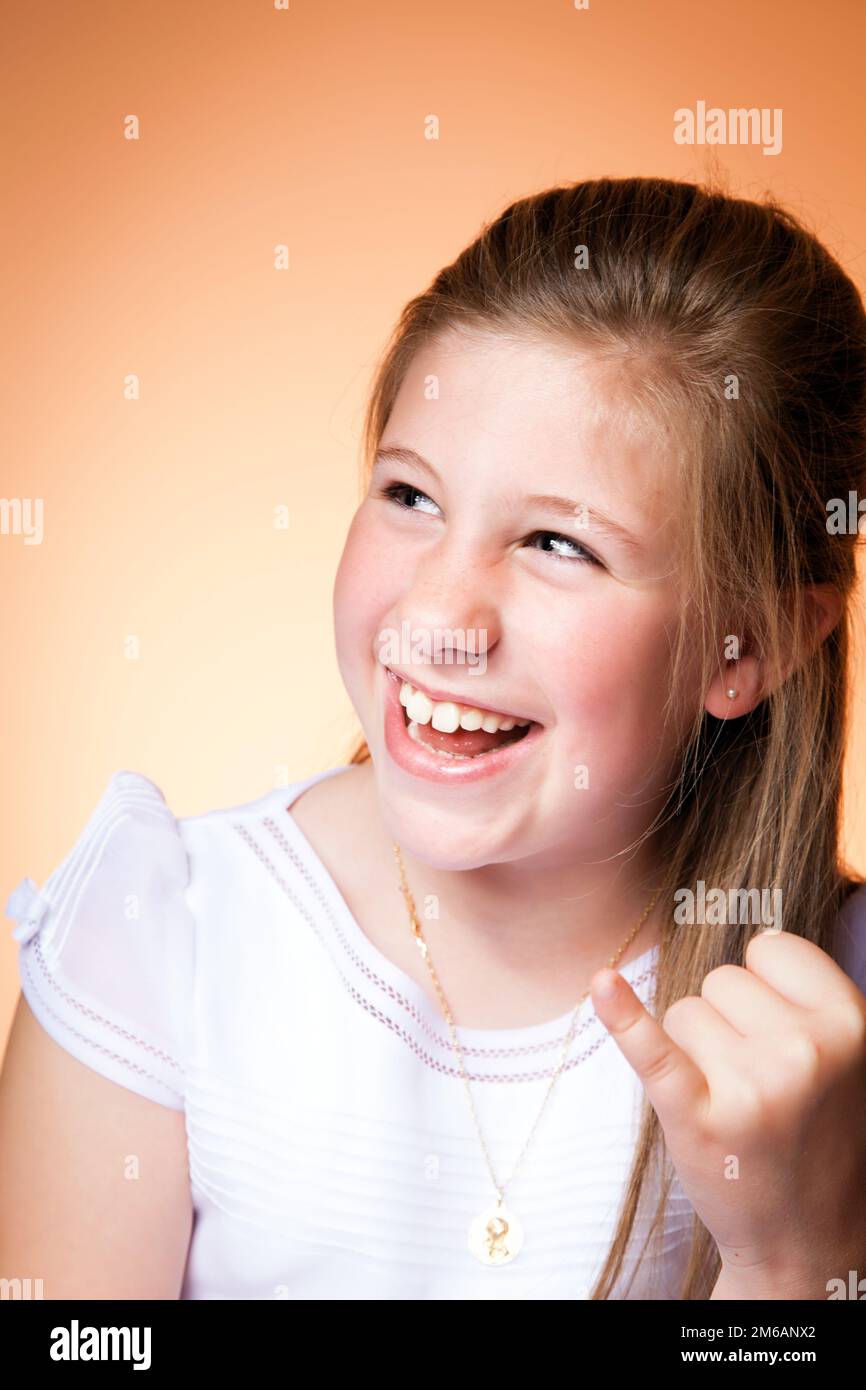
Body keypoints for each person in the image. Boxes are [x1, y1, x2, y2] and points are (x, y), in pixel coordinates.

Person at [3, 175, 866, 1301]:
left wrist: (790, 1261)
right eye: (410, 497)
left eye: (558, 543)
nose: (435, 619)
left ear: (741, 649)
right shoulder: (161, 938)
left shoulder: (830, 1025)